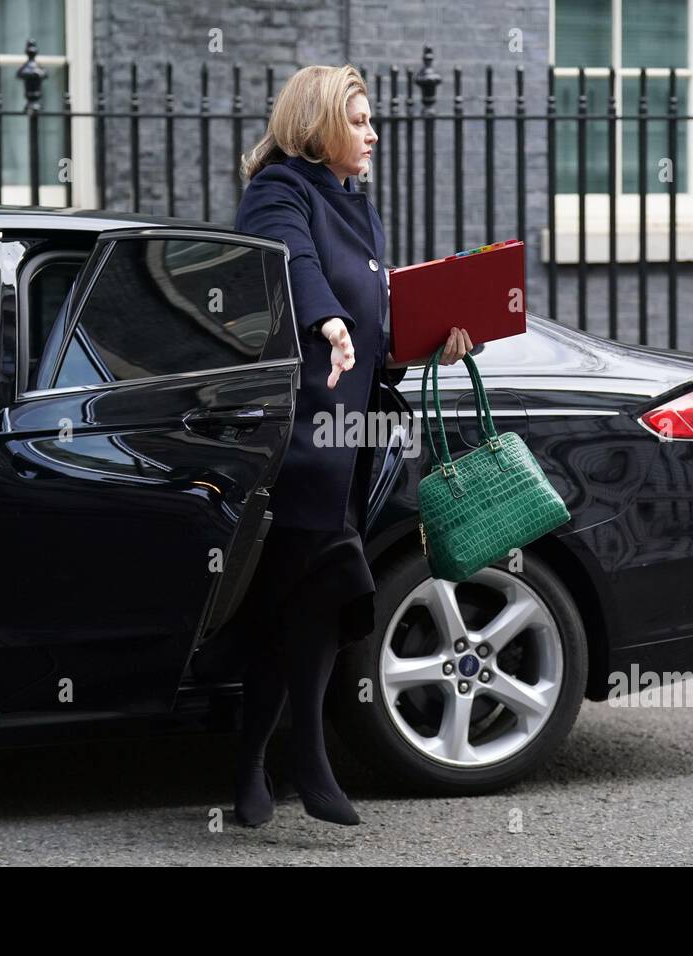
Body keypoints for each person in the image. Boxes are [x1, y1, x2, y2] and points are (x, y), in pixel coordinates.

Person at [231, 63, 472, 827]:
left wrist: (435, 344)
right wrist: (324, 320)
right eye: (361, 120)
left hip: (352, 442)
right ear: (321, 124)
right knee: (307, 593)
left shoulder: (358, 207)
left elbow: (378, 334)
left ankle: (274, 764)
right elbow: (287, 264)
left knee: (314, 602)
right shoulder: (280, 189)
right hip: (299, 441)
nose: (373, 134)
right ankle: (288, 760)